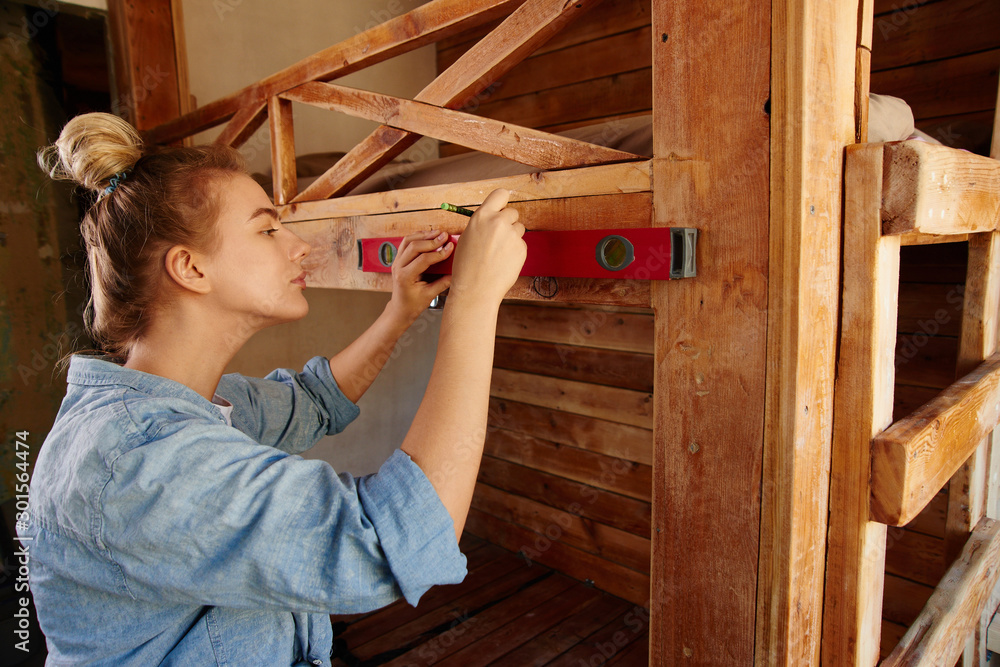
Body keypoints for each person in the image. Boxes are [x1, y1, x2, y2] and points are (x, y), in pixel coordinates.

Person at [19, 112, 526, 666]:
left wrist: (400, 313)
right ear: (189, 268)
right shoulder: (140, 463)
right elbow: (388, 543)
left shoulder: (175, 405)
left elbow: (312, 400)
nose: (300, 247)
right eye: (267, 230)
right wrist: (475, 303)